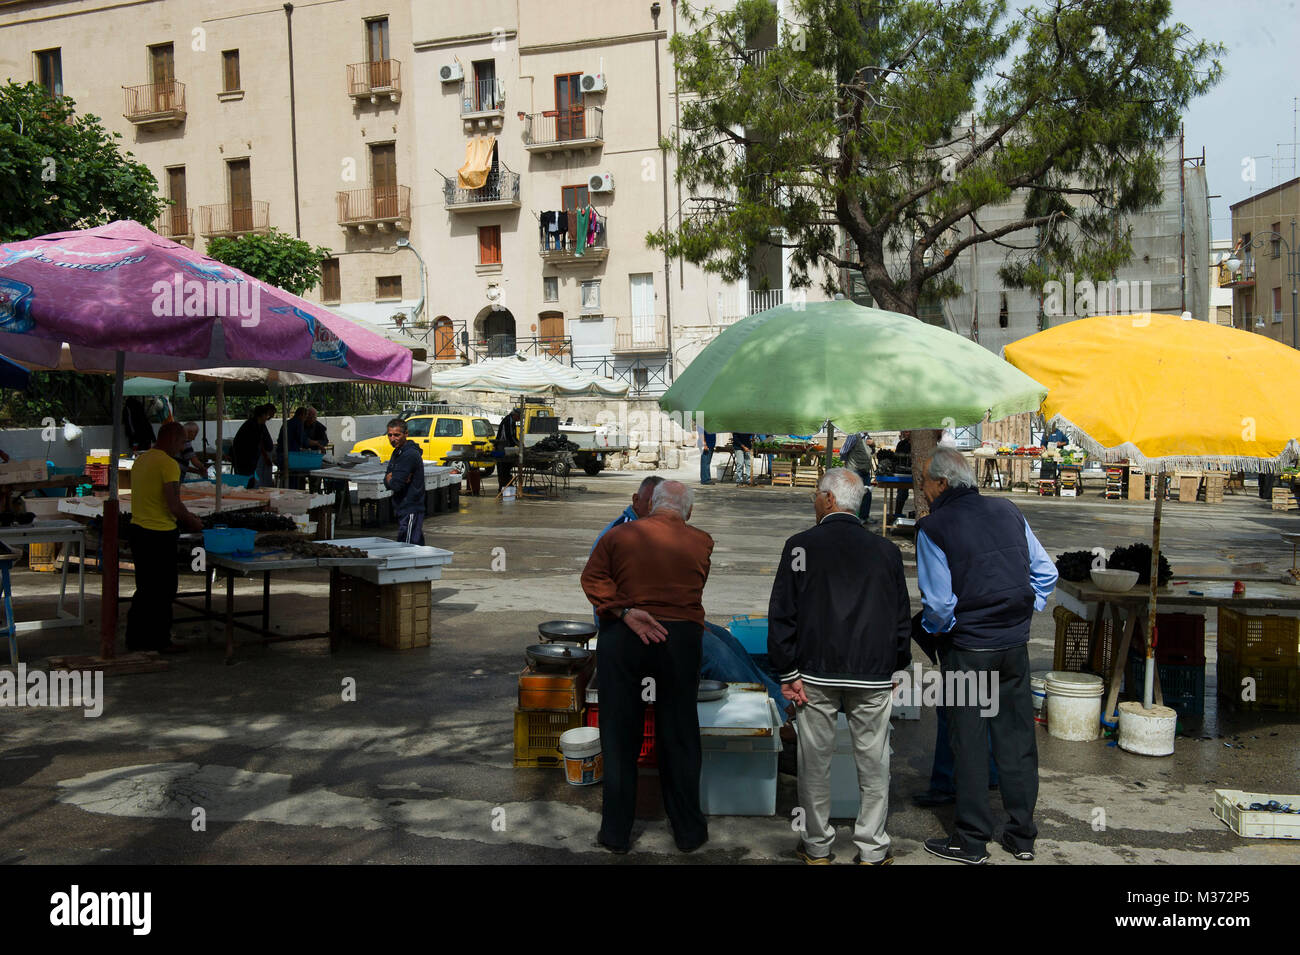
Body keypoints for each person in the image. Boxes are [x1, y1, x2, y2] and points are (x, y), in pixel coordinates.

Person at [915, 447, 1058, 865]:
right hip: (1014, 647)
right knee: (1016, 741)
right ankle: (1022, 836)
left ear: (942, 483)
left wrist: (939, 632)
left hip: (969, 650)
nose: (922, 488)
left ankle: (971, 840)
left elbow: (939, 606)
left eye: (925, 481)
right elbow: (1045, 573)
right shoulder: (1009, 511)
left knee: (970, 741)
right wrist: (1018, 612)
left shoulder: (934, 527)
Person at [767, 468, 911, 865]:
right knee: (875, 761)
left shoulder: (800, 547)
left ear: (829, 500)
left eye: (816, 494)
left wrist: (787, 671)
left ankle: (817, 847)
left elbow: (783, 614)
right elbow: (901, 616)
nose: (814, 500)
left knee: (814, 762)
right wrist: (898, 665)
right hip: (873, 674)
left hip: (814, 673)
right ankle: (872, 848)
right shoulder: (886, 551)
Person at [581, 480, 712, 854]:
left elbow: (591, 578)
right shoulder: (702, 541)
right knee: (680, 732)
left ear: (652, 503)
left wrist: (624, 610)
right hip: (680, 640)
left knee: (621, 734)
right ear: (688, 511)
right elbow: (692, 585)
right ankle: (688, 832)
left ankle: (616, 833)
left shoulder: (619, 536)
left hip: (625, 636)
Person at [590, 475, 789, 718]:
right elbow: (597, 583)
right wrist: (624, 613)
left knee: (729, 641)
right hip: (632, 622)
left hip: (670, 617)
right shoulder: (619, 533)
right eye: (653, 502)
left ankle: (778, 699)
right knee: (719, 655)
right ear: (640, 501)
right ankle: (775, 712)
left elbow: (688, 591)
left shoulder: (683, 537)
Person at [125, 422, 203, 655]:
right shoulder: (169, 464)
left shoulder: (141, 460)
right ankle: (159, 640)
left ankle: (135, 639)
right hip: (159, 533)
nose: (181, 449)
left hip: (138, 529)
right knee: (164, 590)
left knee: (145, 588)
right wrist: (192, 521)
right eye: (181, 443)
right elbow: (174, 504)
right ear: (171, 439)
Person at [384, 417, 426, 545]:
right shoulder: (397, 452)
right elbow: (388, 478)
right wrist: (390, 478)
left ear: (406, 434)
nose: (393, 438)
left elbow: (396, 484)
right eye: (390, 435)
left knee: (407, 546)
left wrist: (392, 478)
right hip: (402, 507)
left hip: (410, 507)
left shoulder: (409, 455)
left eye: (397, 435)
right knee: (414, 544)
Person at [231, 405, 275, 487]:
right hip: (243, 459)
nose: (267, 418)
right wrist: (264, 456)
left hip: (251, 460)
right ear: (262, 415)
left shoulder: (260, 425)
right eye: (266, 415)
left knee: (251, 480)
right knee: (246, 481)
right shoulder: (251, 426)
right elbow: (255, 444)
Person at [840, 429, 876, 521]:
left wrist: (873, 445)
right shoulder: (853, 435)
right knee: (854, 494)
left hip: (865, 470)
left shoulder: (868, 437)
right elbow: (843, 451)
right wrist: (848, 464)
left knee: (867, 493)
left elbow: (871, 452)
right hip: (854, 470)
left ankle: (864, 517)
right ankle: (851, 517)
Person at [496, 408, 521, 489]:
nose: (520, 419)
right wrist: (518, 444)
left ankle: (506, 486)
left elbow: (513, 436)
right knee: (503, 469)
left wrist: (518, 443)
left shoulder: (512, 421)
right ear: (515, 415)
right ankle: (503, 487)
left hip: (507, 447)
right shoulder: (508, 421)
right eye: (519, 416)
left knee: (507, 468)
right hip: (502, 447)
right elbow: (509, 436)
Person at [893, 431, 913, 517]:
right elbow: (896, 459)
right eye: (905, 432)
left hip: (915, 473)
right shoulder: (901, 444)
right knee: (902, 493)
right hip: (902, 474)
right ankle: (898, 514)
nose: (907, 434)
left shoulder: (917, 444)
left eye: (908, 432)